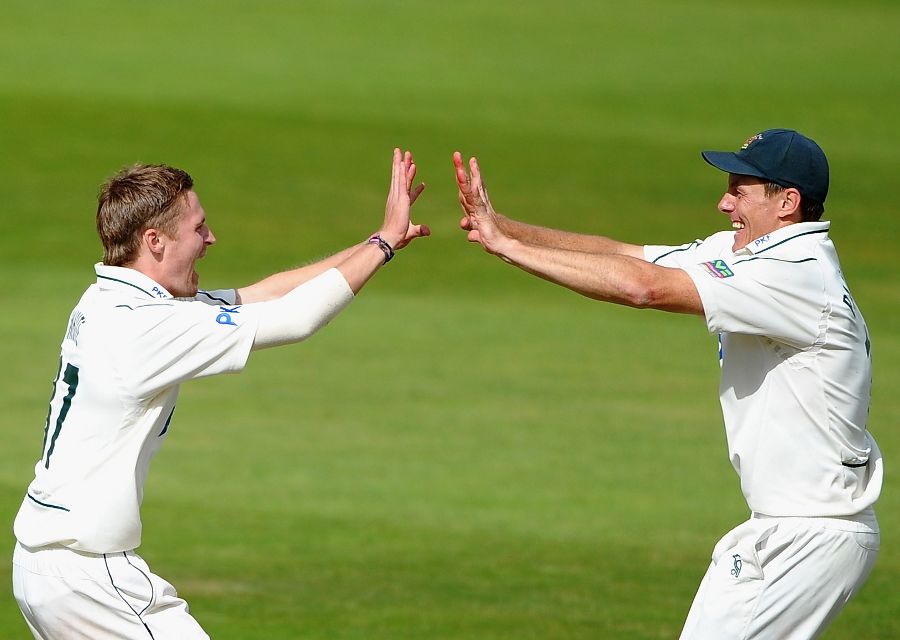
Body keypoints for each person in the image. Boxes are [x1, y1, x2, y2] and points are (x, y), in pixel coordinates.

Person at [453, 129, 881, 639]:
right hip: (790, 527)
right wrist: (502, 229)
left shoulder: (797, 274)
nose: (724, 203)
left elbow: (643, 288)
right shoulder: (751, 253)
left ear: (787, 202)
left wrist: (510, 249)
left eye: (740, 190)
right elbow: (626, 256)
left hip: (808, 532)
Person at [12, 148, 429, 639]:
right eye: (198, 228)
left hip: (42, 568)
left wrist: (381, 239)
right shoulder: (147, 328)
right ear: (155, 241)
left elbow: (264, 294)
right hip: (89, 578)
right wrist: (380, 250)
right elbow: (296, 318)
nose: (211, 238)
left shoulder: (110, 297)